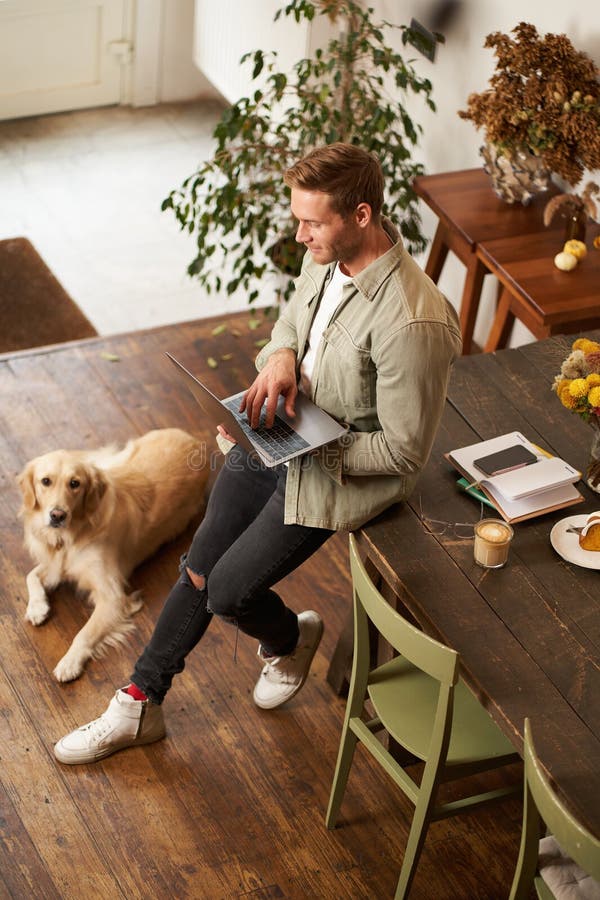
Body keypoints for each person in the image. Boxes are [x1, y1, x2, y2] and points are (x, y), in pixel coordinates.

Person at [54, 143, 462, 765]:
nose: (300, 236)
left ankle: (289, 638)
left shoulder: (414, 322)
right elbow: (292, 323)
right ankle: (137, 704)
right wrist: (279, 356)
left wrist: (316, 447)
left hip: (332, 475)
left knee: (226, 592)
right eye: (297, 220)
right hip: (277, 433)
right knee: (198, 565)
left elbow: (405, 452)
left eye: (312, 222)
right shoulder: (327, 256)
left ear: (361, 215)